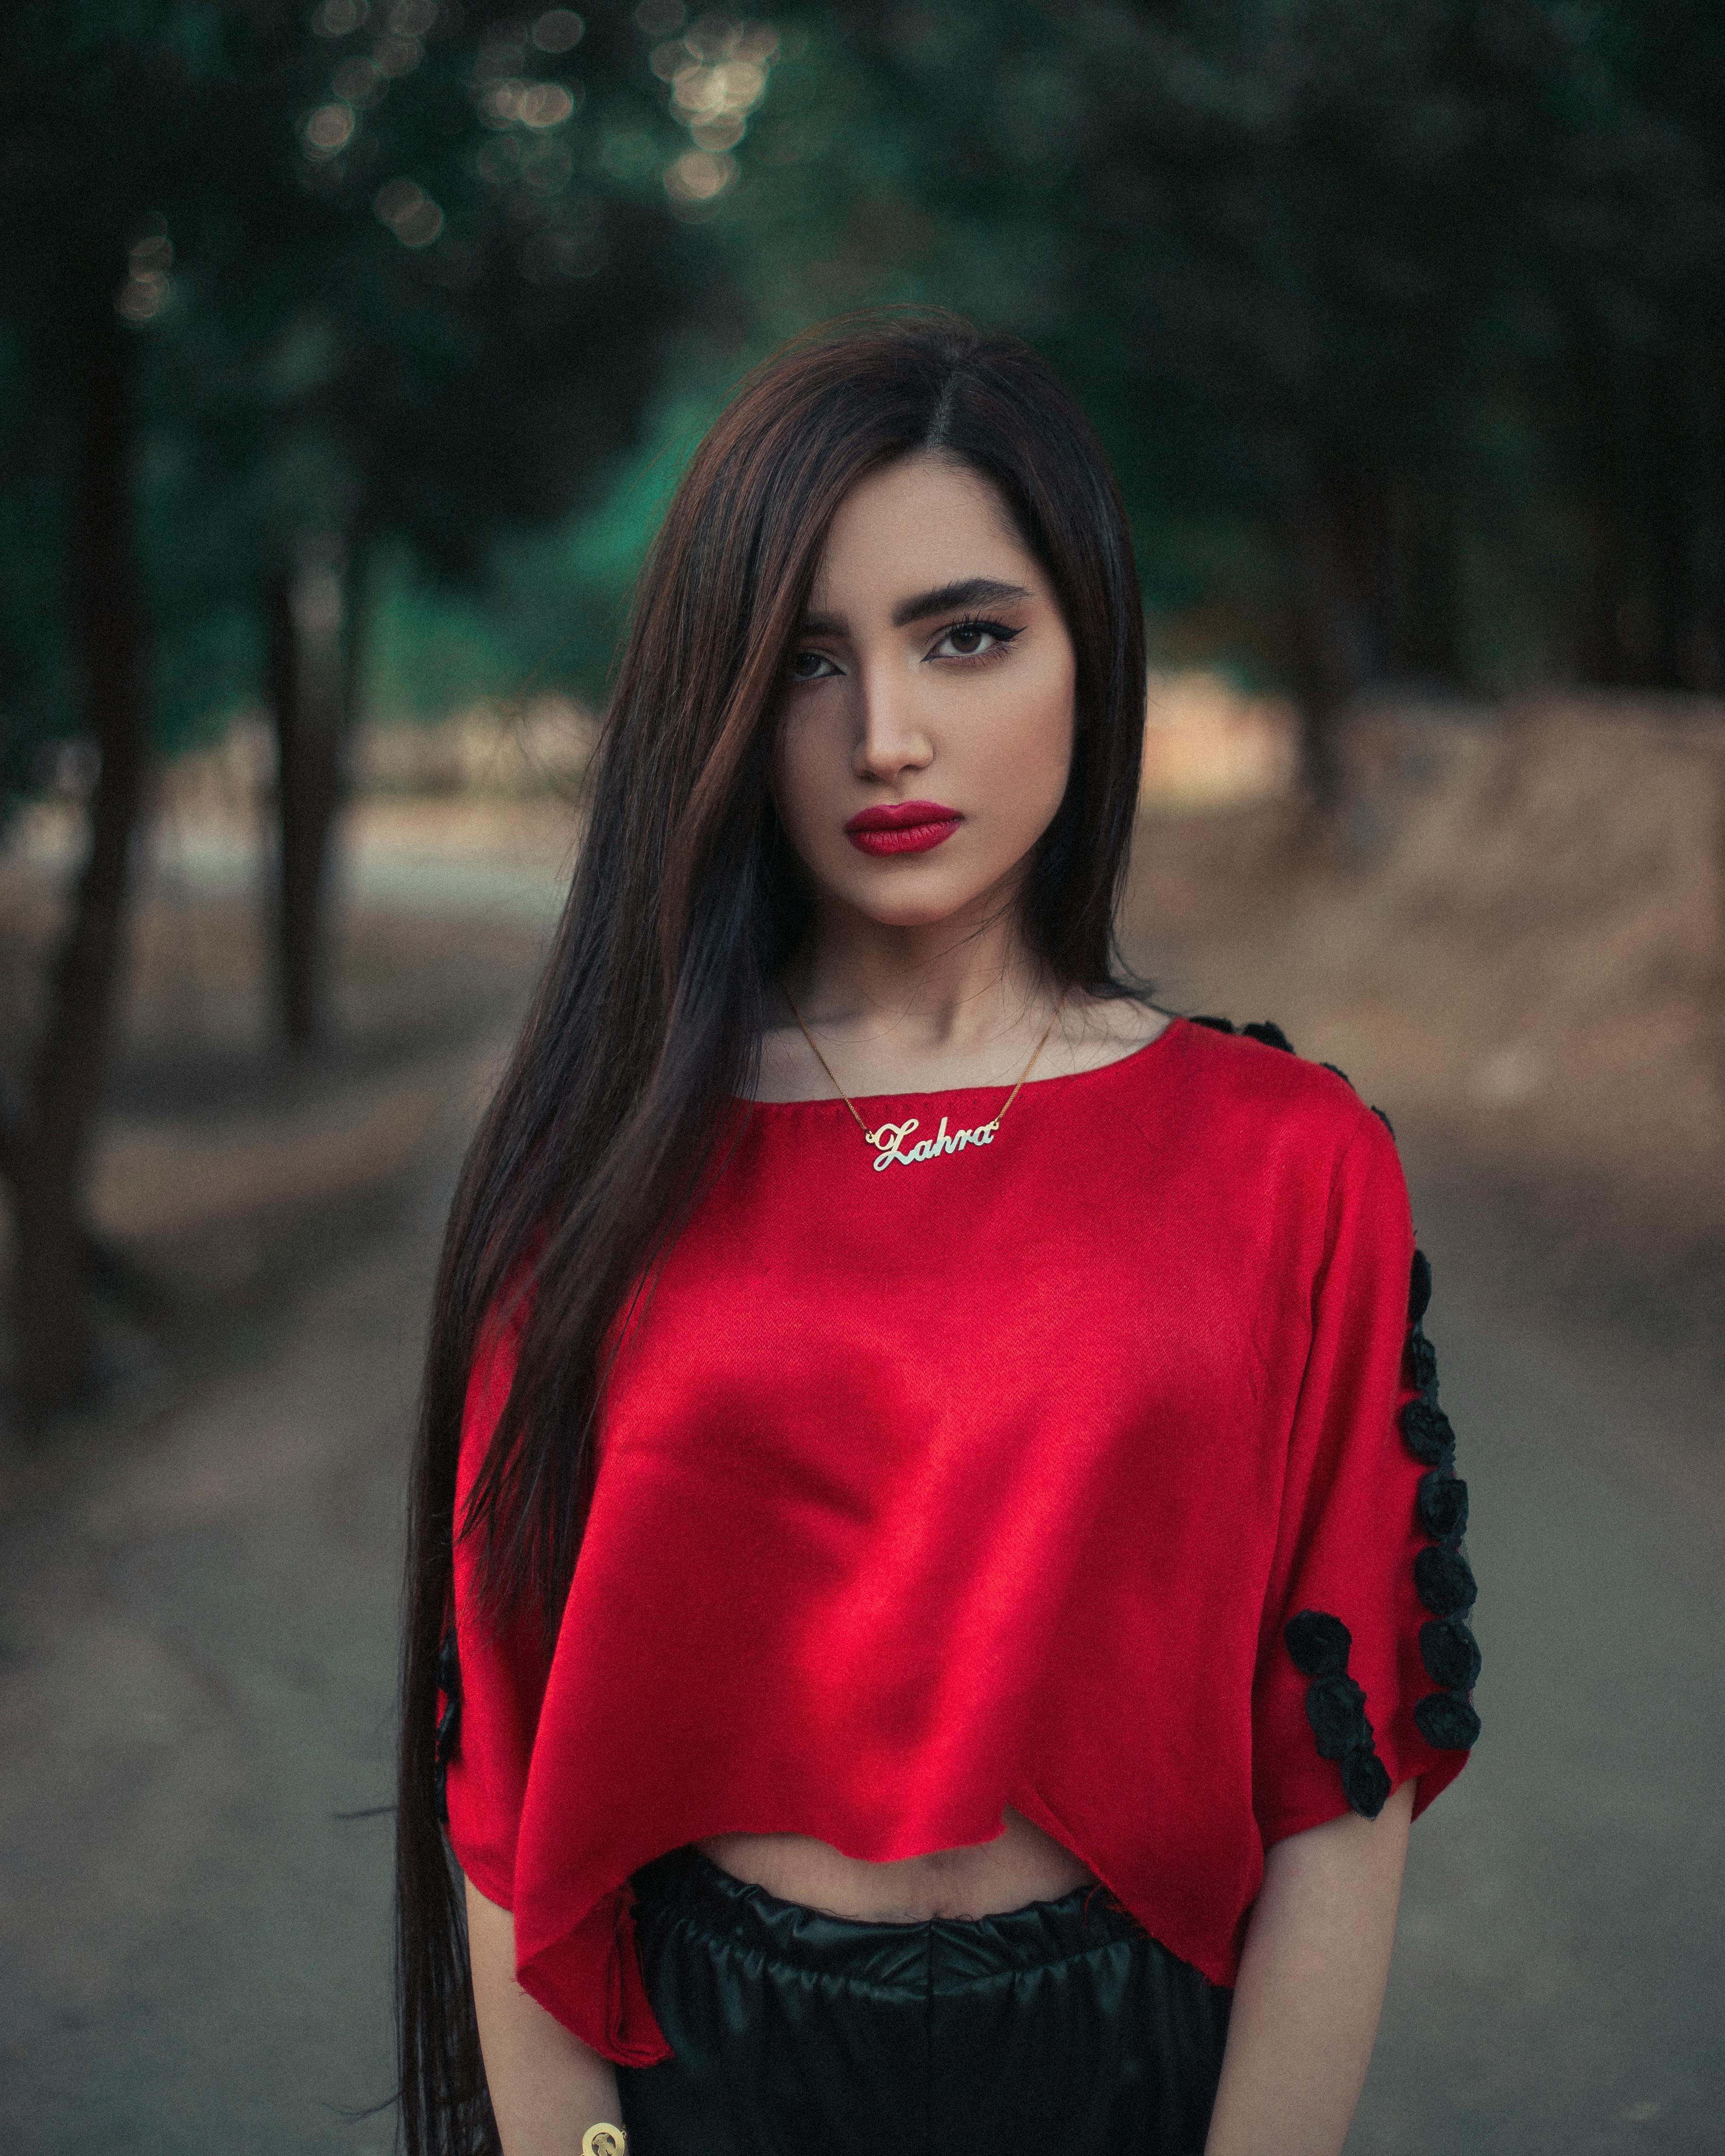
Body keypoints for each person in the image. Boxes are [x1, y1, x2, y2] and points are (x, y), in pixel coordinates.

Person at [395, 313, 1481, 2156]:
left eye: (965, 636)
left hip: (1134, 2051)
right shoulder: (598, 1161)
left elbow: (1340, 1769)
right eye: (807, 661)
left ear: (1091, 650)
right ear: (726, 699)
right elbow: (502, 1764)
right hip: (706, 2062)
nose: (886, 738)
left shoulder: (1288, 1158)